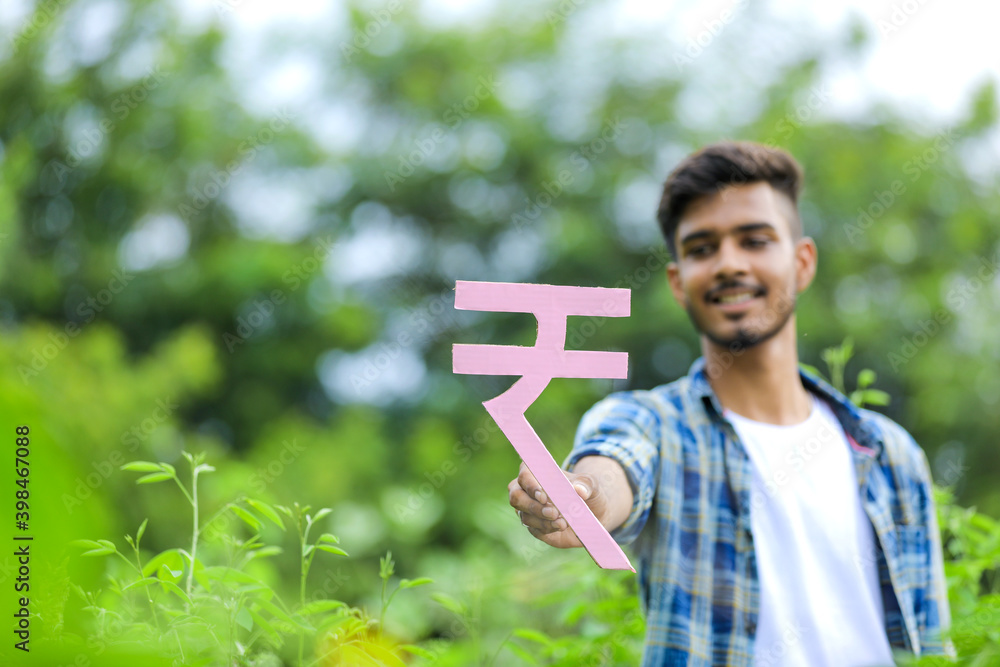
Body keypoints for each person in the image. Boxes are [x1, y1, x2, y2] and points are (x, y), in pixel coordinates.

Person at [507, 141, 954, 665]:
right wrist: (582, 496)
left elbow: (932, 640)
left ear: (802, 262)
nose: (728, 264)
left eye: (755, 240)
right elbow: (614, 464)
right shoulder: (655, 424)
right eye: (701, 248)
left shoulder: (889, 453)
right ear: (678, 282)